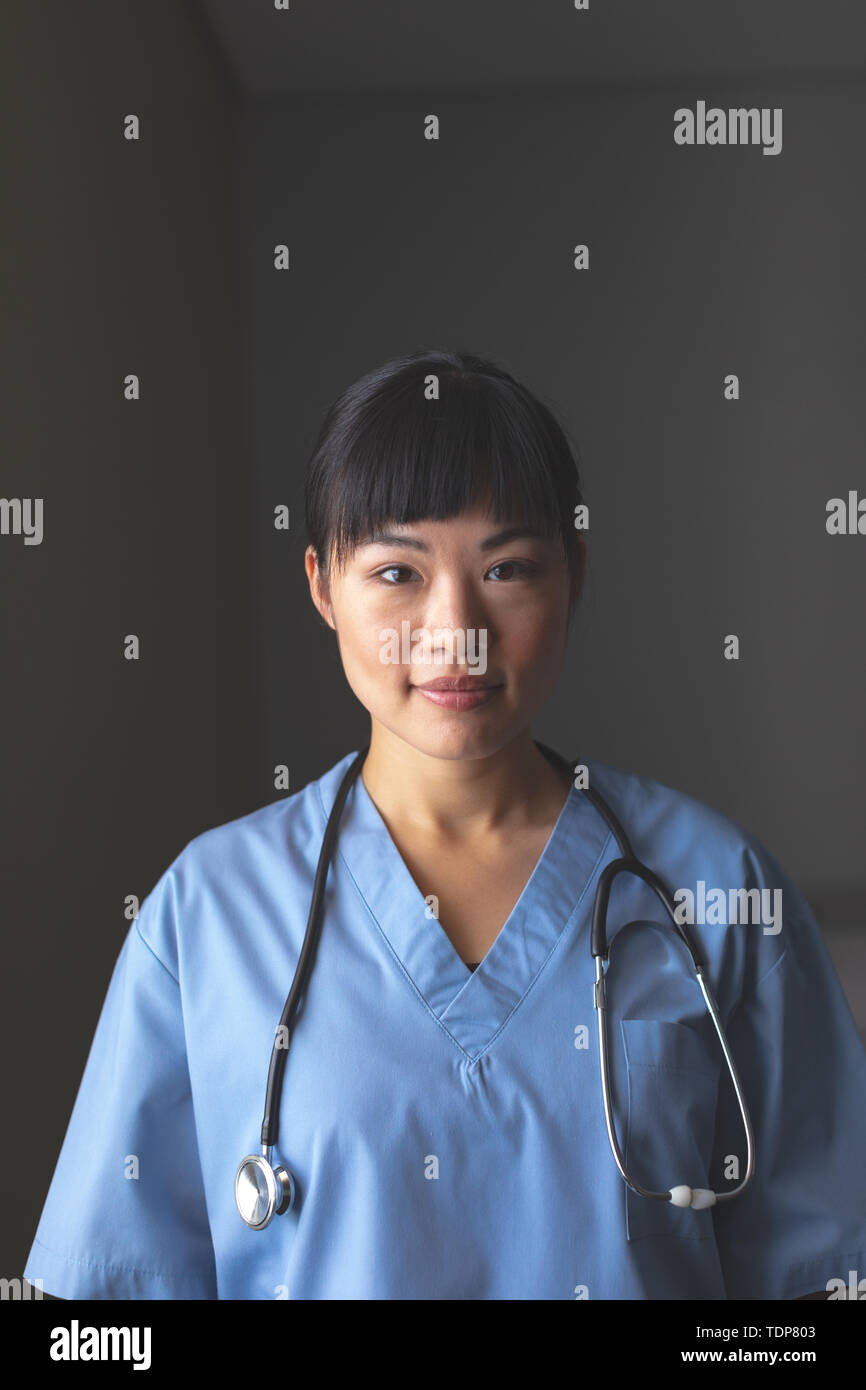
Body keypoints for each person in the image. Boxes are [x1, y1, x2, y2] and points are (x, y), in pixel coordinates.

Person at [24, 349, 866, 1300]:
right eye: (396, 572)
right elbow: (101, 1319)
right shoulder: (207, 913)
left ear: (574, 576)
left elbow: (819, 1293)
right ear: (320, 585)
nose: (455, 627)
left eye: (506, 568)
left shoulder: (718, 889)